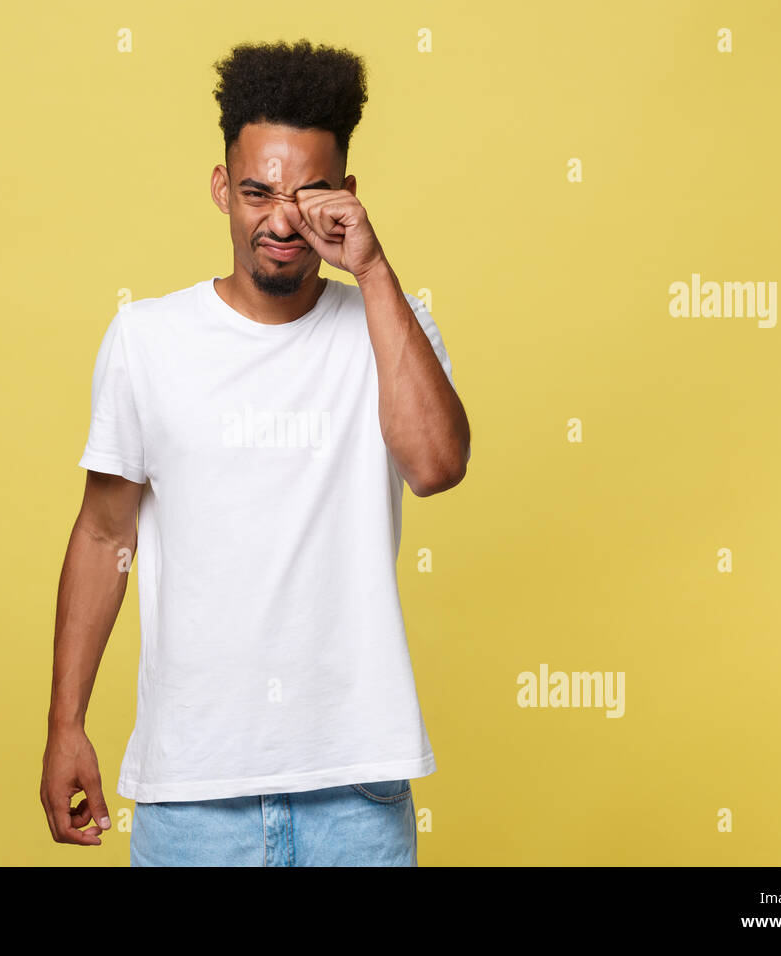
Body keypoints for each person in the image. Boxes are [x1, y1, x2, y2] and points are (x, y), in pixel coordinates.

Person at [40, 38, 471, 866]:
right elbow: (104, 536)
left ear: (346, 196)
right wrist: (66, 725)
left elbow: (437, 467)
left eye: (307, 194)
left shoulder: (389, 328)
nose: (280, 219)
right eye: (257, 192)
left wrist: (373, 269)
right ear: (220, 190)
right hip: (193, 796)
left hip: (357, 787)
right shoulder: (148, 340)